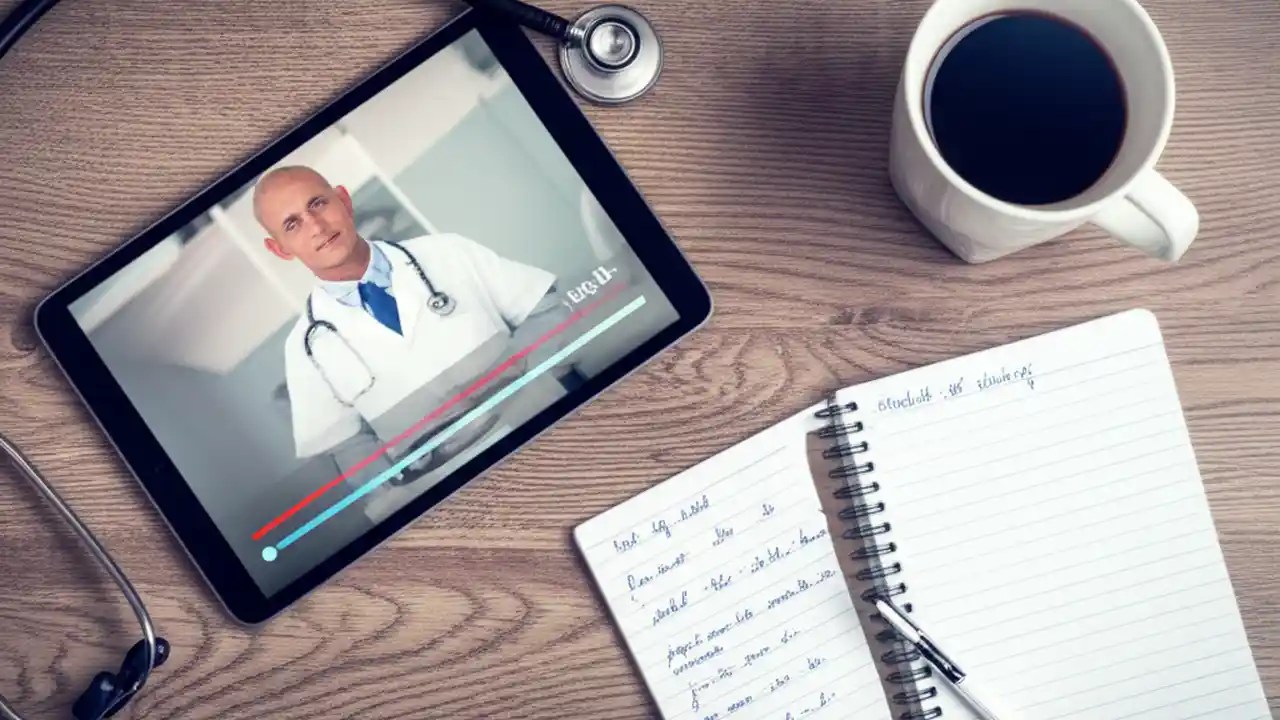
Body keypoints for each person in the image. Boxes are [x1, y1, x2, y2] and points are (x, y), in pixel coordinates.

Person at [254, 165, 576, 484]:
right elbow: (348, 451)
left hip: (543, 432)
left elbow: (546, 313)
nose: (316, 226)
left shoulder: (447, 251)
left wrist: (527, 395)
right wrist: (413, 487)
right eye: (293, 224)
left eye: (318, 204)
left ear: (343, 200)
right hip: (447, 488)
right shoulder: (303, 349)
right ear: (279, 248)